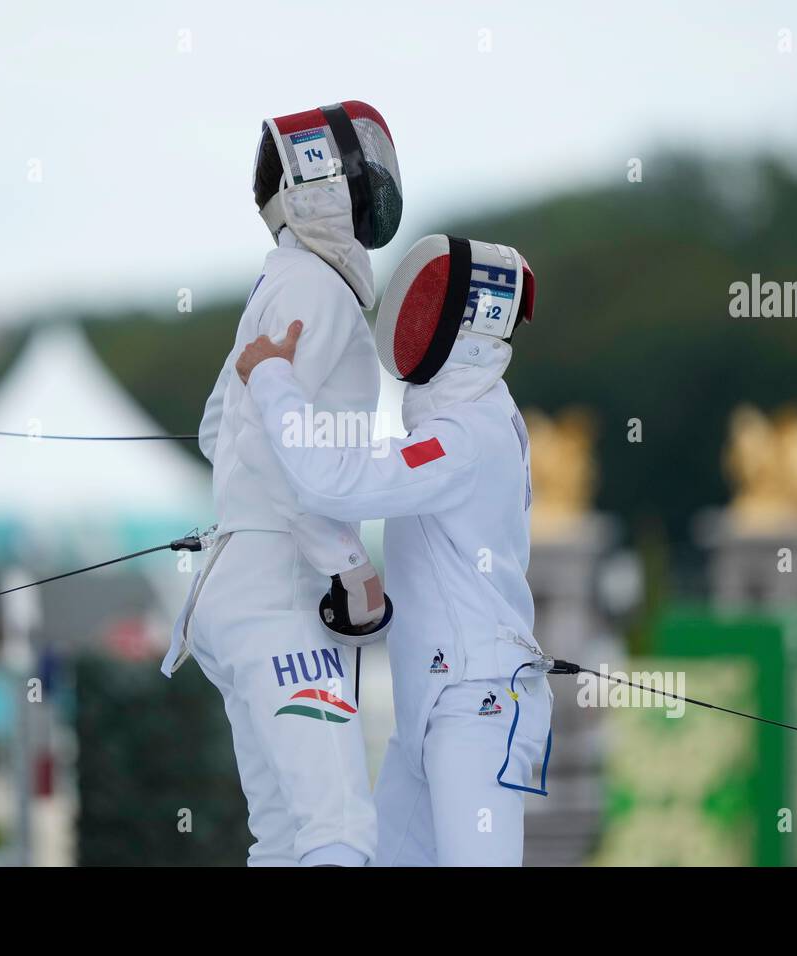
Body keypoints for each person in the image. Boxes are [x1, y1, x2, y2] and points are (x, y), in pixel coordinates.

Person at [234, 235, 551, 867]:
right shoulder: (469, 420)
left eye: (428, 303)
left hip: (479, 704)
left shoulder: (466, 437)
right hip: (433, 711)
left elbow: (333, 480)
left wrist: (273, 377)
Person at [161, 101, 404, 867]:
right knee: (338, 830)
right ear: (322, 182)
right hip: (278, 594)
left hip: (237, 587)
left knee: (285, 837)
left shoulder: (284, 282)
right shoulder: (319, 292)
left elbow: (219, 428)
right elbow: (280, 447)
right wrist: (344, 561)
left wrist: (251, 504)